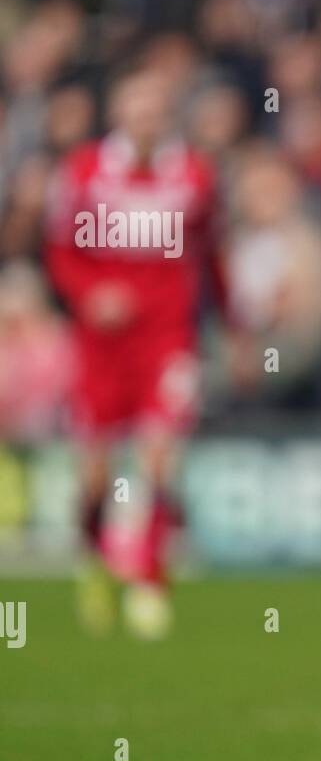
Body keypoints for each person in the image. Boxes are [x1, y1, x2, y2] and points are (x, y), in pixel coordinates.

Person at [44, 67, 228, 639]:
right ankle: (95, 561)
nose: (146, 119)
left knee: (157, 458)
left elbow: (212, 254)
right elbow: (59, 251)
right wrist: (88, 294)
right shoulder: (84, 172)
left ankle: (148, 579)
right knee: (96, 473)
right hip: (101, 344)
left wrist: (232, 321)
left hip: (168, 338)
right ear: (119, 113)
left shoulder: (195, 175)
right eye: (136, 108)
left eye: (156, 108)